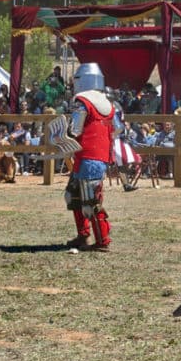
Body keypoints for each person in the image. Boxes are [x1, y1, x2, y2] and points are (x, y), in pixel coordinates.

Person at [64, 62, 117, 251]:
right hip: (95, 156)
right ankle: (83, 235)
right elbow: (117, 129)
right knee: (73, 196)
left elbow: (75, 130)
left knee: (91, 202)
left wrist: (63, 134)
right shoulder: (110, 104)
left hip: (88, 156)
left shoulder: (82, 102)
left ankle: (103, 241)